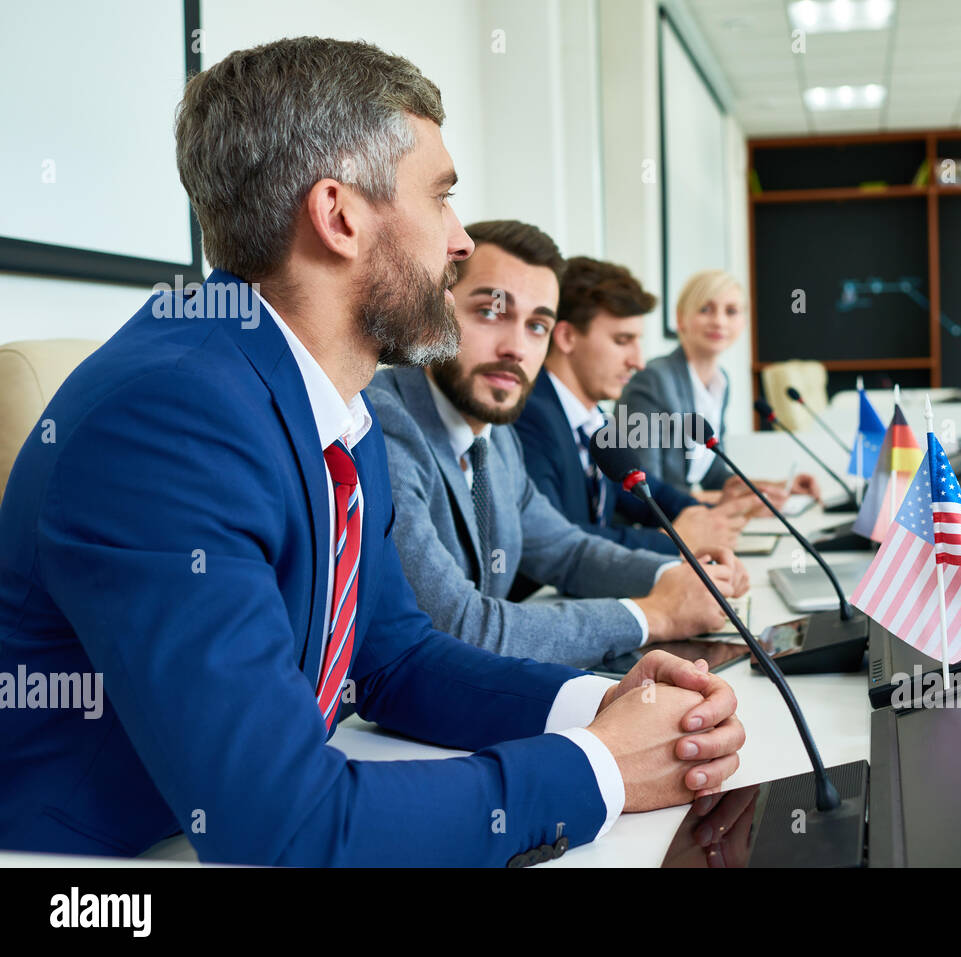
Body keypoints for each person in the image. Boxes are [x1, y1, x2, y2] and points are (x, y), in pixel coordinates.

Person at [0, 37, 742, 867]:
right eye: (442, 198)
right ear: (340, 215)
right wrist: (600, 768)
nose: (459, 240)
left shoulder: (333, 404)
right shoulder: (171, 417)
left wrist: (606, 702)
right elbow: (287, 828)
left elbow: (395, 660)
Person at [368, 221, 748, 668]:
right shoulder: (384, 420)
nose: (516, 348)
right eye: (490, 313)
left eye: (537, 325)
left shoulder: (497, 436)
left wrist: (682, 577)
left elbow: (569, 551)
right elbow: (461, 627)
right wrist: (656, 614)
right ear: (437, 306)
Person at [515, 256, 752, 561]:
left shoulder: (594, 418)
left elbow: (642, 489)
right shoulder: (530, 416)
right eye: (622, 340)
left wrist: (704, 516)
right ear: (567, 337)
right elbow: (558, 539)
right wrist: (674, 541)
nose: (638, 361)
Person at [619, 269, 820, 505]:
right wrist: (743, 503)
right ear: (680, 318)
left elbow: (714, 475)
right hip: (656, 528)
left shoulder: (721, 382)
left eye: (731, 311)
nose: (719, 321)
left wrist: (777, 487)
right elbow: (644, 491)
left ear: (744, 322)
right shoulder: (652, 380)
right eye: (705, 309)